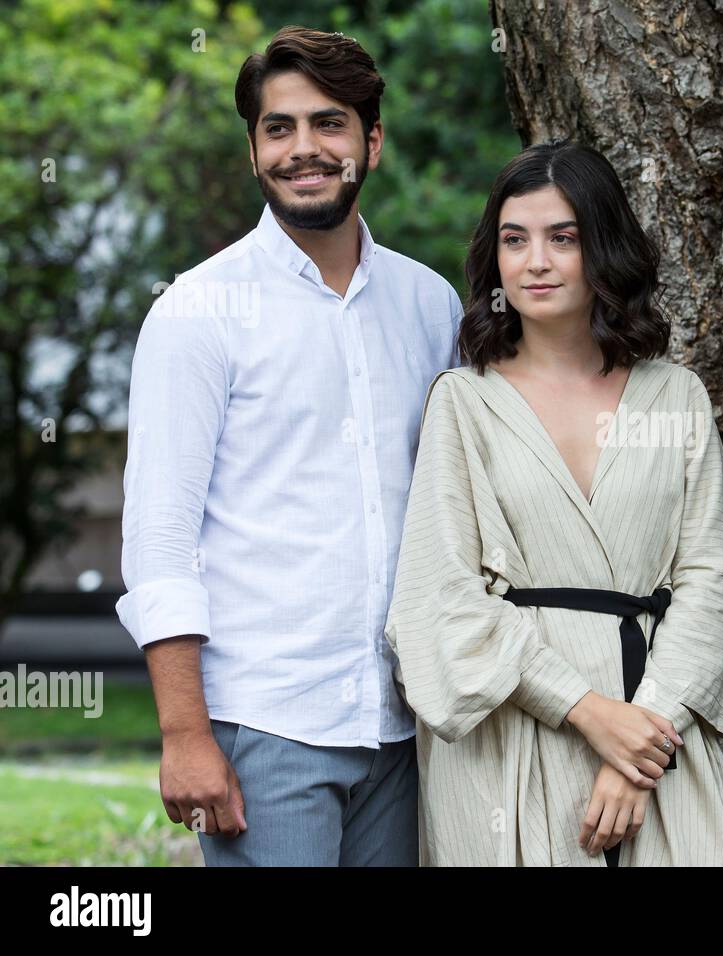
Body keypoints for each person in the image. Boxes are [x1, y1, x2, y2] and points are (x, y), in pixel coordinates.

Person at [116, 26, 462, 866]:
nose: (304, 148)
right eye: (279, 128)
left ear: (370, 142)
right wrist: (185, 734)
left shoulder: (431, 305)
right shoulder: (195, 312)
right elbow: (160, 542)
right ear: (253, 150)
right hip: (265, 724)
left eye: (329, 124)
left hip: (407, 728)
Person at [384, 140, 723, 866]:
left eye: (563, 238)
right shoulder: (463, 403)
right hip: (513, 739)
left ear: (603, 248)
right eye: (514, 239)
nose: (535, 262)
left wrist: (641, 742)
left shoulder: (674, 394)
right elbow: (439, 599)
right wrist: (589, 714)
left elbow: (714, 582)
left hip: (659, 739)